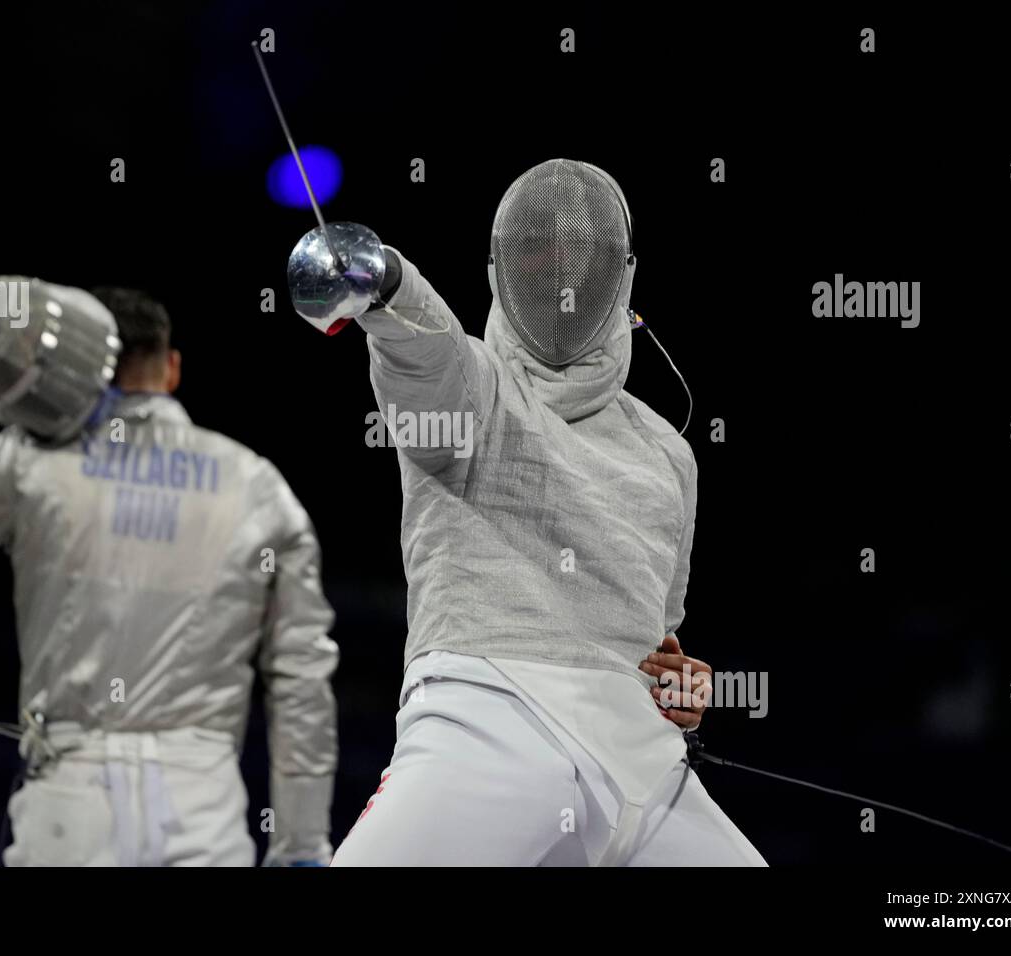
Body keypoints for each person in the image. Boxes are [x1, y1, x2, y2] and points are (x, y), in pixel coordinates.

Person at [293, 159, 765, 866]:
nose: (560, 270)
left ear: (622, 273)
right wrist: (385, 279)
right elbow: (424, 353)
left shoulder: (669, 453)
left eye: (581, 251)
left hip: (645, 760)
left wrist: (675, 684)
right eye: (537, 251)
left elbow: (660, 638)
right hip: (487, 714)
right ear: (501, 269)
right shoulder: (475, 387)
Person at [0, 282, 338, 866]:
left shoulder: (29, 460)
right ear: (171, 368)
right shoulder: (258, 486)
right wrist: (300, 846)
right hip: (199, 814)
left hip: (69, 814)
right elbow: (301, 677)